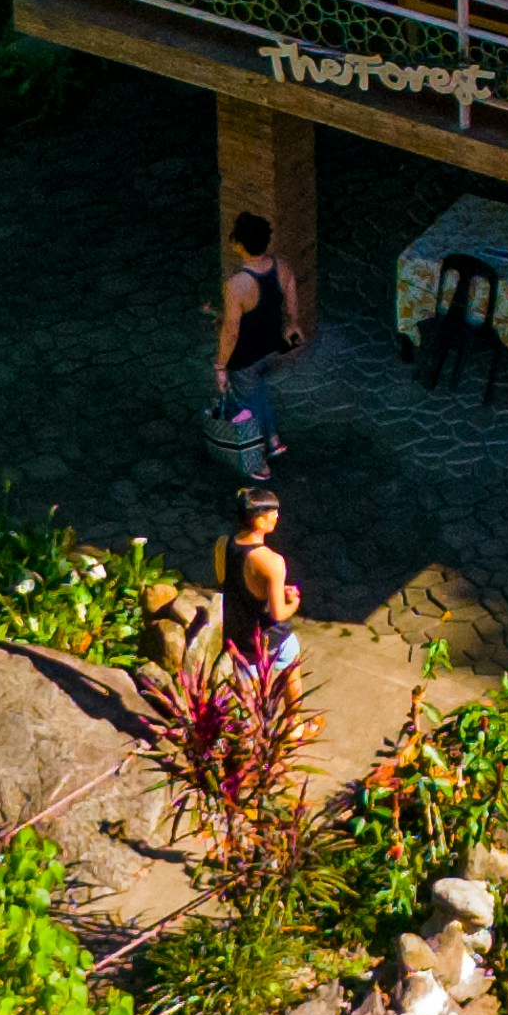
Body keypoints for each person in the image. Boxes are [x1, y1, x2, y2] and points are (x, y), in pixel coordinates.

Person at [208, 207, 304, 481]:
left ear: (239, 244)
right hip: (273, 350)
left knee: (249, 407)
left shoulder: (237, 285)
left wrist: (220, 365)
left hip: (246, 358)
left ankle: (259, 461)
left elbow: (231, 331)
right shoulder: (281, 266)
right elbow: (292, 293)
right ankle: (273, 439)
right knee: (260, 393)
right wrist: (294, 323)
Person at [213, 484, 304, 684]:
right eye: (274, 513)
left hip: (238, 634)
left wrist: (272, 590)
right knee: (291, 664)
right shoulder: (272, 561)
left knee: (248, 695)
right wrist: (293, 602)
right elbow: (278, 614)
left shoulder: (222, 543)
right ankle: (294, 716)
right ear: (260, 520)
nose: (277, 517)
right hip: (269, 636)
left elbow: (225, 581)